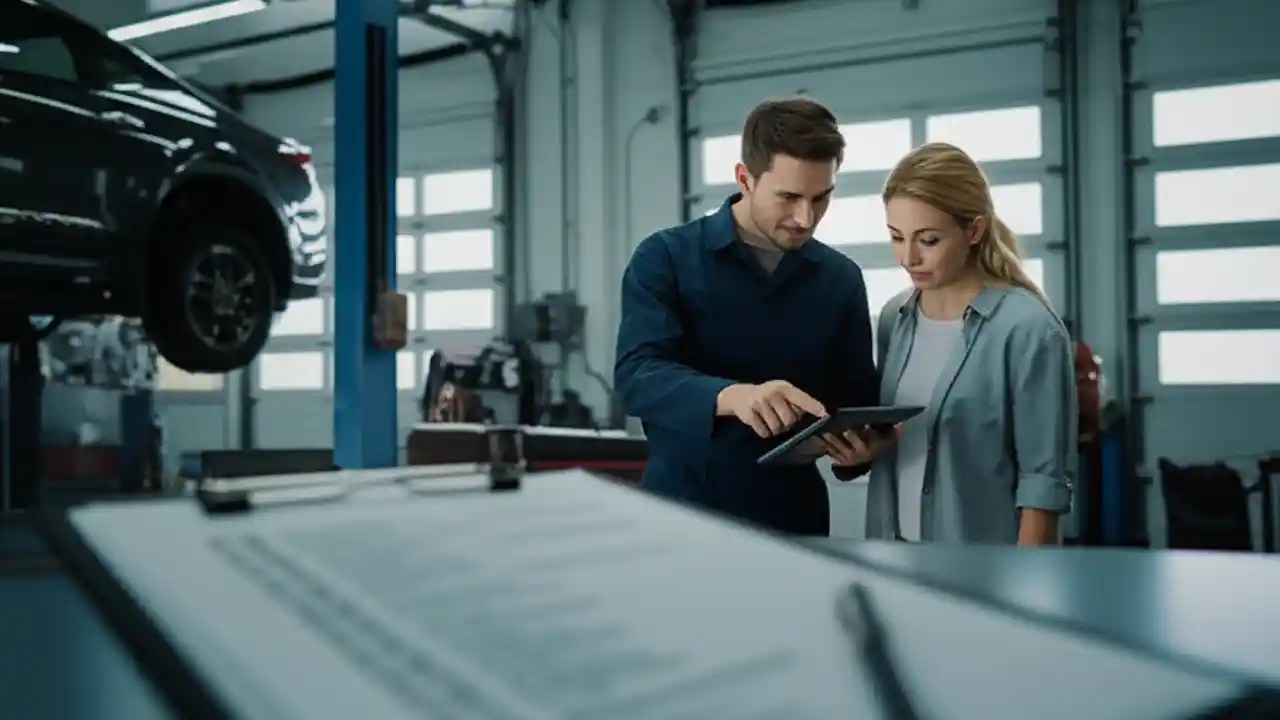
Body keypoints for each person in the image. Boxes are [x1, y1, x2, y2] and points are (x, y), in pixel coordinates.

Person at [613, 97, 890, 535]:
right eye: (789, 197)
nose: (806, 217)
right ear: (745, 178)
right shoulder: (665, 257)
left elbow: (854, 404)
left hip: (794, 523)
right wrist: (734, 396)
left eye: (821, 198)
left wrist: (859, 451)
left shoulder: (841, 280)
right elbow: (637, 376)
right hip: (682, 515)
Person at [866, 142, 1076, 546]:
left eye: (927, 240)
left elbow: (1042, 488)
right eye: (896, 237)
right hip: (894, 560)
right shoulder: (896, 319)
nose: (908, 257)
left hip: (983, 575)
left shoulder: (1028, 329)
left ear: (974, 230)